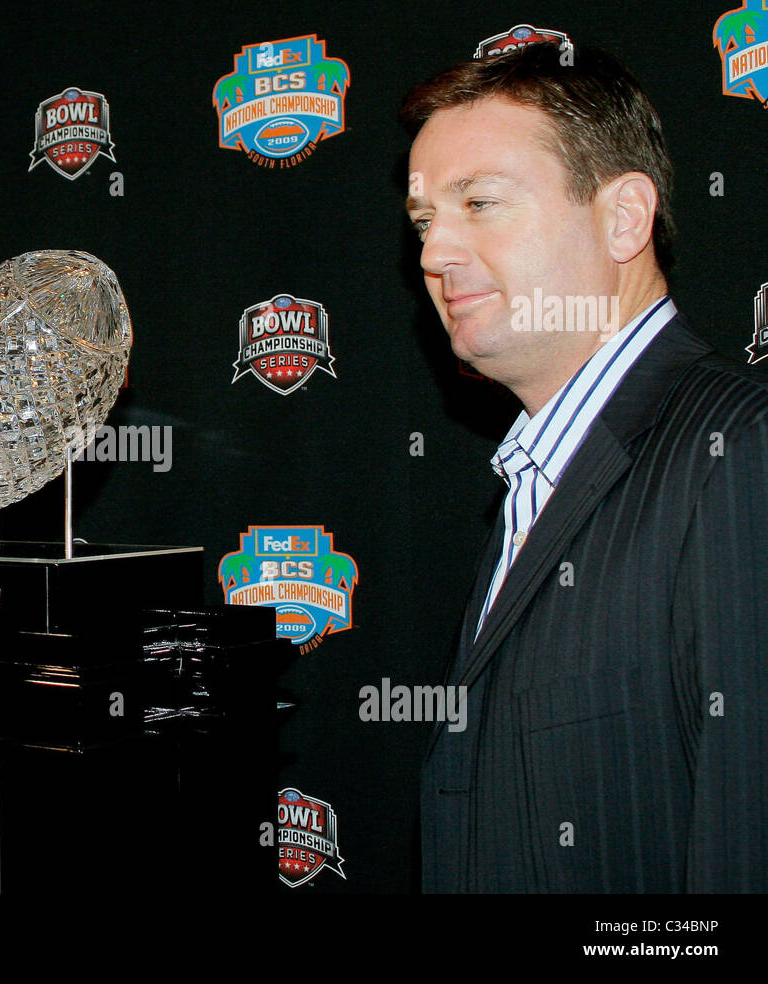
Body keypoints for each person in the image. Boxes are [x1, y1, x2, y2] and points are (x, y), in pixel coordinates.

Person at [402, 44, 767, 891]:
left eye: (480, 203)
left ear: (624, 218)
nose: (434, 253)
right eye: (424, 222)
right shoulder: (540, 474)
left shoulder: (737, 455)